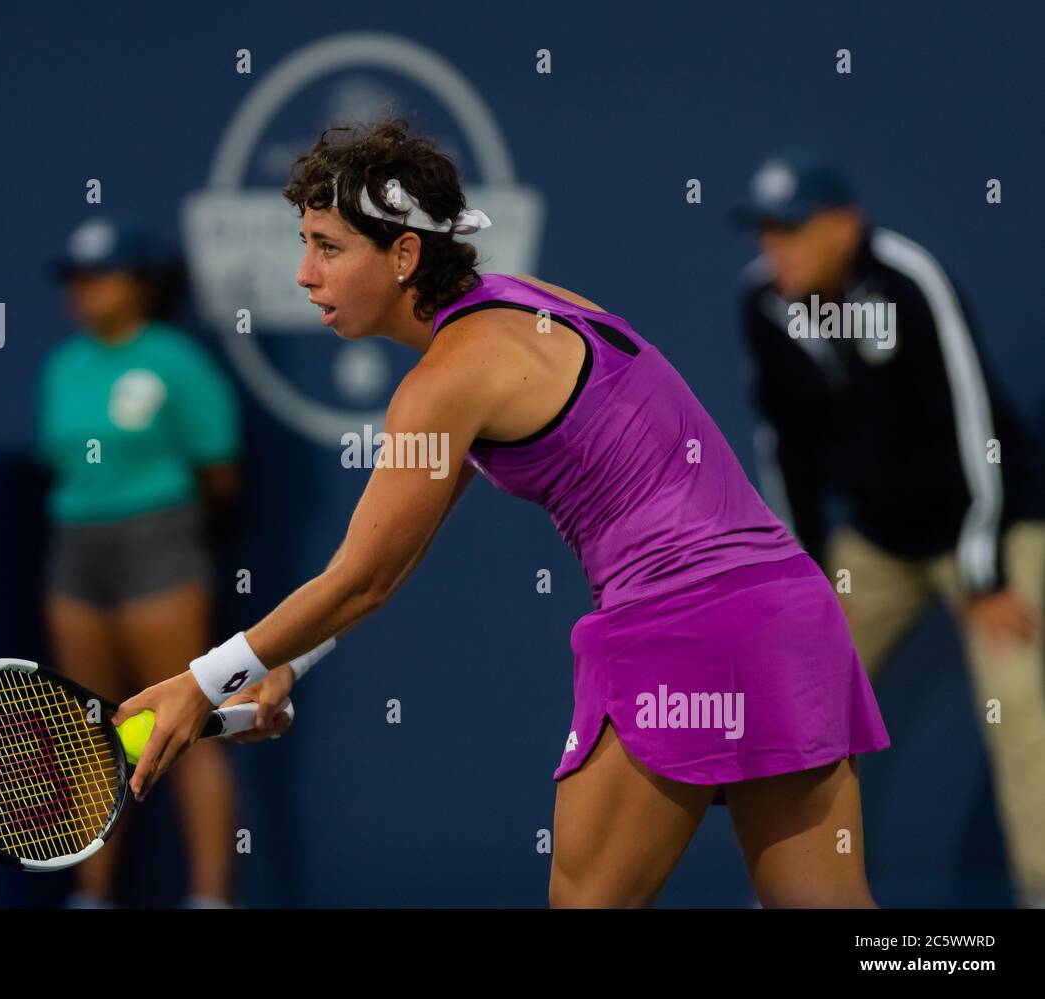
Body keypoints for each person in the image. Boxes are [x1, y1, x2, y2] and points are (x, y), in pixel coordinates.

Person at [115, 119, 890, 908]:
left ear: (405, 254)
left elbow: (363, 579)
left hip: (677, 628)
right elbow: (395, 551)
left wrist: (202, 682)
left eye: (329, 246)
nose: (305, 273)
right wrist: (293, 658)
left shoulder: (445, 382)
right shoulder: (527, 306)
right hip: (788, 612)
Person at [734, 150, 1045, 907]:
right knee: (803, 701)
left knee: (1022, 712)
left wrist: (984, 572)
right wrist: (803, 574)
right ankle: (793, 894)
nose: (778, 249)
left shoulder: (910, 282)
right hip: (874, 541)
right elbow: (787, 449)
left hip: (991, 524)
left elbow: (979, 432)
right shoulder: (763, 304)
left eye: (795, 230)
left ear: (846, 226)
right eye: (768, 232)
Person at [37, 216, 243, 908]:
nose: (85, 291)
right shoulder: (62, 365)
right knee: (91, 734)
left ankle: (209, 898)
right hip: (75, 547)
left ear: (142, 284)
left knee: (181, 726)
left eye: (101, 275)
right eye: (76, 279)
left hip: (158, 541)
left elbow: (219, 468)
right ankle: (92, 896)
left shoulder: (177, 360)